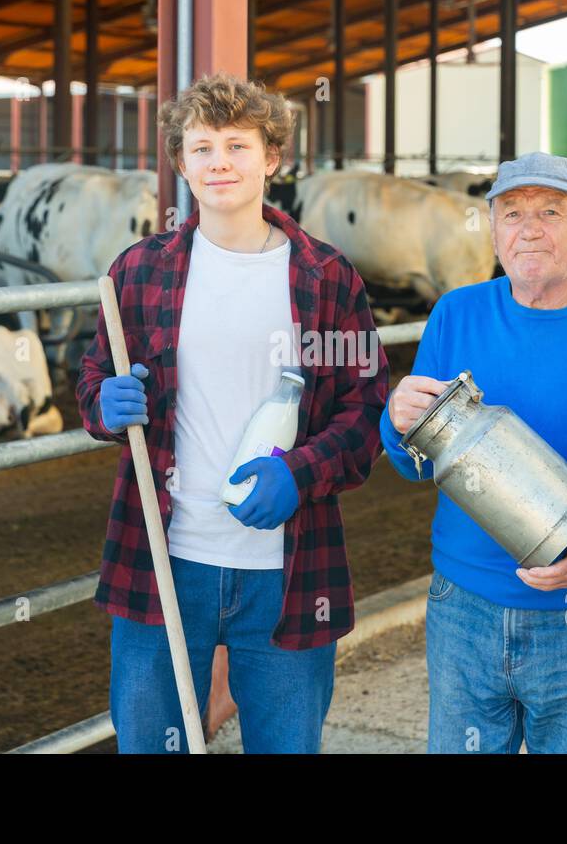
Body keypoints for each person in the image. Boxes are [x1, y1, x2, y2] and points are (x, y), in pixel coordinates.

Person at [76, 72, 389, 753]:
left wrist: (300, 474)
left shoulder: (326, 276)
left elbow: (367, 412)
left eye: (238, 145)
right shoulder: (136, 272)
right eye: (202, 146)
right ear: (180, 162)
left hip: (287, 567)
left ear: (271, 158)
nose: (219, 161)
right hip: (161, 561)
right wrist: (104, 403)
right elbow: (95, 375)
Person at [382, 151, 567, 754]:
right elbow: (410, 460)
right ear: (492, 231)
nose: (529, 228)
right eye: (511, 213)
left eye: (551, 211)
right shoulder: (455, 315)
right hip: (464, 610)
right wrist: (394, 421)